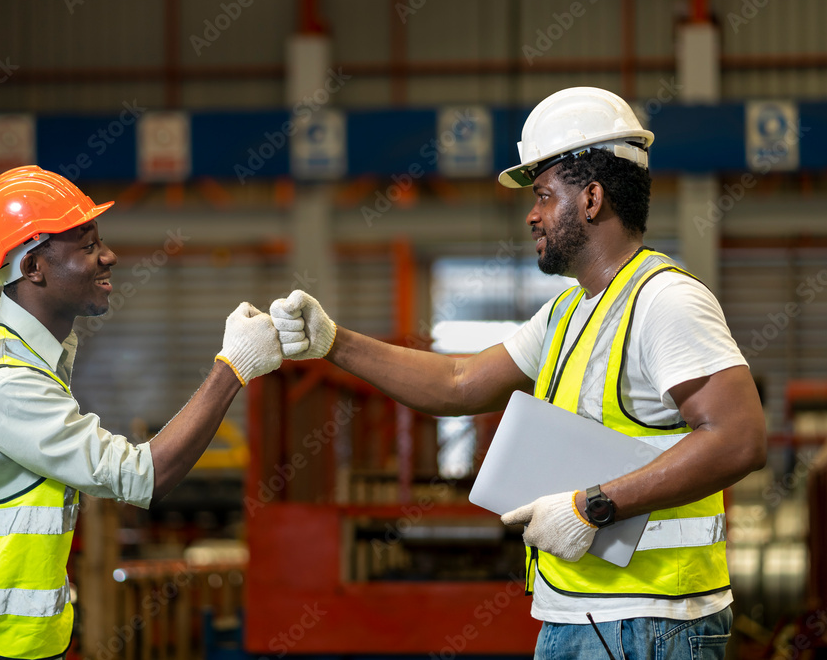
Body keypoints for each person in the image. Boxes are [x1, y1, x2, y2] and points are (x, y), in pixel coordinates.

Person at [270, 87, 766, 659]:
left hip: (649, 622)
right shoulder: (568, 312)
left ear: (592, 199)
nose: (532, 214)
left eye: (545, 196)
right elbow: (459, 382)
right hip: (584, 615)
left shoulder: (664, 301)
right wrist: (332, 341)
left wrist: (592, 506)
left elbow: (739, 438)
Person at [0, 166, 282, 659]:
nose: (108, 256)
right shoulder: (6, 382)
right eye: (87, 245)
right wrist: (234, 367)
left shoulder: (4, 339)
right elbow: (142, 477)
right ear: (34, 268)